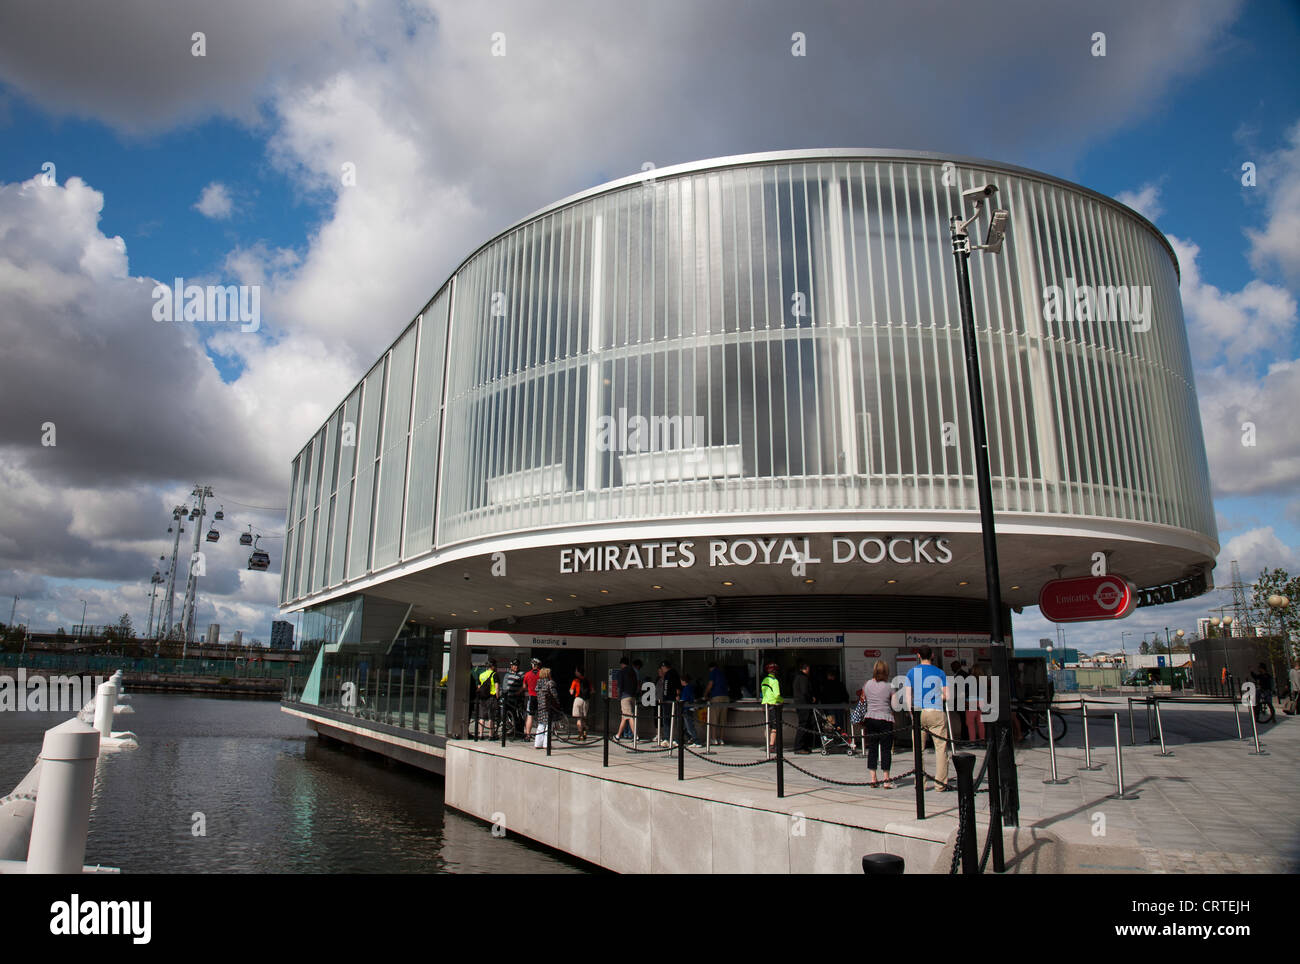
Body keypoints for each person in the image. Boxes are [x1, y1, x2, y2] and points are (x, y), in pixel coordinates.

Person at [904, 645, 951, 791]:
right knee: (941, 749)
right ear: (932, 656)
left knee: (918, 749)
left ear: (918, 655)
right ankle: (940, 784)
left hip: (919, 712)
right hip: (936, 711)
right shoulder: (940, 673)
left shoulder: (911, 673)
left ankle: (920, 783)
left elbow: (907, 698)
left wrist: (911, 714)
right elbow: (947, 696)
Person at [862, 659, 895, 789]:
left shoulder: (867, 684)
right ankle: (886, 779)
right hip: (885, 719)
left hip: (870, 718)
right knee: (886, 749)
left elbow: (864, 698)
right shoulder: (889, 686)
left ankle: (873, 778)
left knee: (873, 748)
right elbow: (895, 704)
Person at [703, 661, 730, 746]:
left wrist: (705, 694)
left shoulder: (713, 672)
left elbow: (710, 684)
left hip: (716, 697)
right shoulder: (723, 673)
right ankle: (721, 739)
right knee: (722, 720)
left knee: (714, 719)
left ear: (710, 668)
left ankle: (714, 739)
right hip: (726, 697)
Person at [792, 662, 816, 754]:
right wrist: (811, 698)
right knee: (803, 725)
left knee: (806, 725)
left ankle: (804, 746)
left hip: (800, 704)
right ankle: (799, 747)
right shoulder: (803, 678)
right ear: (806, 669)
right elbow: (804, 691)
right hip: (804, 705)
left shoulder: (798, 677)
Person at [533, 667, 560, 748]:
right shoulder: (550, 683)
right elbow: (554, 695)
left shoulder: (538, 683)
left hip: (541, 706)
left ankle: (538, 743)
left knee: (541, 725)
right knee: (549, 725)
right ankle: (546, 744)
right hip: (549, 706)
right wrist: (558, 704)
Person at [658, 659, 681, 746]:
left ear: (664, 667)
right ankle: (668, 738)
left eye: (662, 668)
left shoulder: (672, 673)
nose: (662, 670)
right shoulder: (669, 674)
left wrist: (676, 696)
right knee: (668, 720)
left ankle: (672, 738)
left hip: (671, 700)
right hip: (668, 699)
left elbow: (677, 687)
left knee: (670, 720)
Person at [760, 662, 783, 751]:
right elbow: (777, 695)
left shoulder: (764, 680)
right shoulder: (775, 681)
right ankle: (771, 745)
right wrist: (782, 700)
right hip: (773, 704)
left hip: (764, 704)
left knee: (768, 725)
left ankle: (767, 743)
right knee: (775, 726)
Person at [615, 656, 638, 740]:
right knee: (624, 717)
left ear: (622, 664)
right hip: (633, 696)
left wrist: (619, 696)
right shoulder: (633, 672)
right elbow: (636, 684)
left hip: (625, 696)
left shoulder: (621, 672)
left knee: (629, 716)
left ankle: (635, 735)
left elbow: (619, 686)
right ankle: (618, 735)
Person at [475, 657, 498, 739]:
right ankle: (490, 735)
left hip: (482, 698)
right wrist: (497, 697)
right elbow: (496, 687)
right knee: (491, 717)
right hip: (491, 697)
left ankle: (480, 734)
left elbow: (479, 686)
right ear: (493, 666)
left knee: (482, 717)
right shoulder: (494, 674)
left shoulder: (481, 675)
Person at [965, 664, 987, 743]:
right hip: (981, 701)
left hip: (971, 701)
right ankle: (982, 740)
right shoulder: (983, 680)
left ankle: (972, 741)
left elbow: (966, 692)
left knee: (970, 723)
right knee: (980, 723)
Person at [569, 666, 591, 740]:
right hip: (586, 701)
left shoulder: (575, 681)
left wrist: (571, 690)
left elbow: (571, 692)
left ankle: (580, 734)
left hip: (578, 699)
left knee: (578, 719)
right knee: (584, 718)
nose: (575, 672)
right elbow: (593, 691)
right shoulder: (587, 680)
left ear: (578, 672)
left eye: (576, 671)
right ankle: (585, 734)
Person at [679, 673, 699, 746]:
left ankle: (696, 740)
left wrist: (679, 700)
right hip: (688, 709)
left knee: (689, 726)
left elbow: (684, 699)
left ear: (684, 681)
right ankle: (690, 738)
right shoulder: (689, 687)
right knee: (685, 726)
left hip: (687, 709)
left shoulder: (687, 688)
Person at [523, 658, 541, 737]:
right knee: (541, 717)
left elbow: (524, 686)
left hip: (532, 697)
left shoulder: (527, 674)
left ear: (532, 665)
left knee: (530, 716)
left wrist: (529, 688)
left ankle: (528, 735)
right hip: (541, 697)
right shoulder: (542, 674)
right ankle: (540, 735)